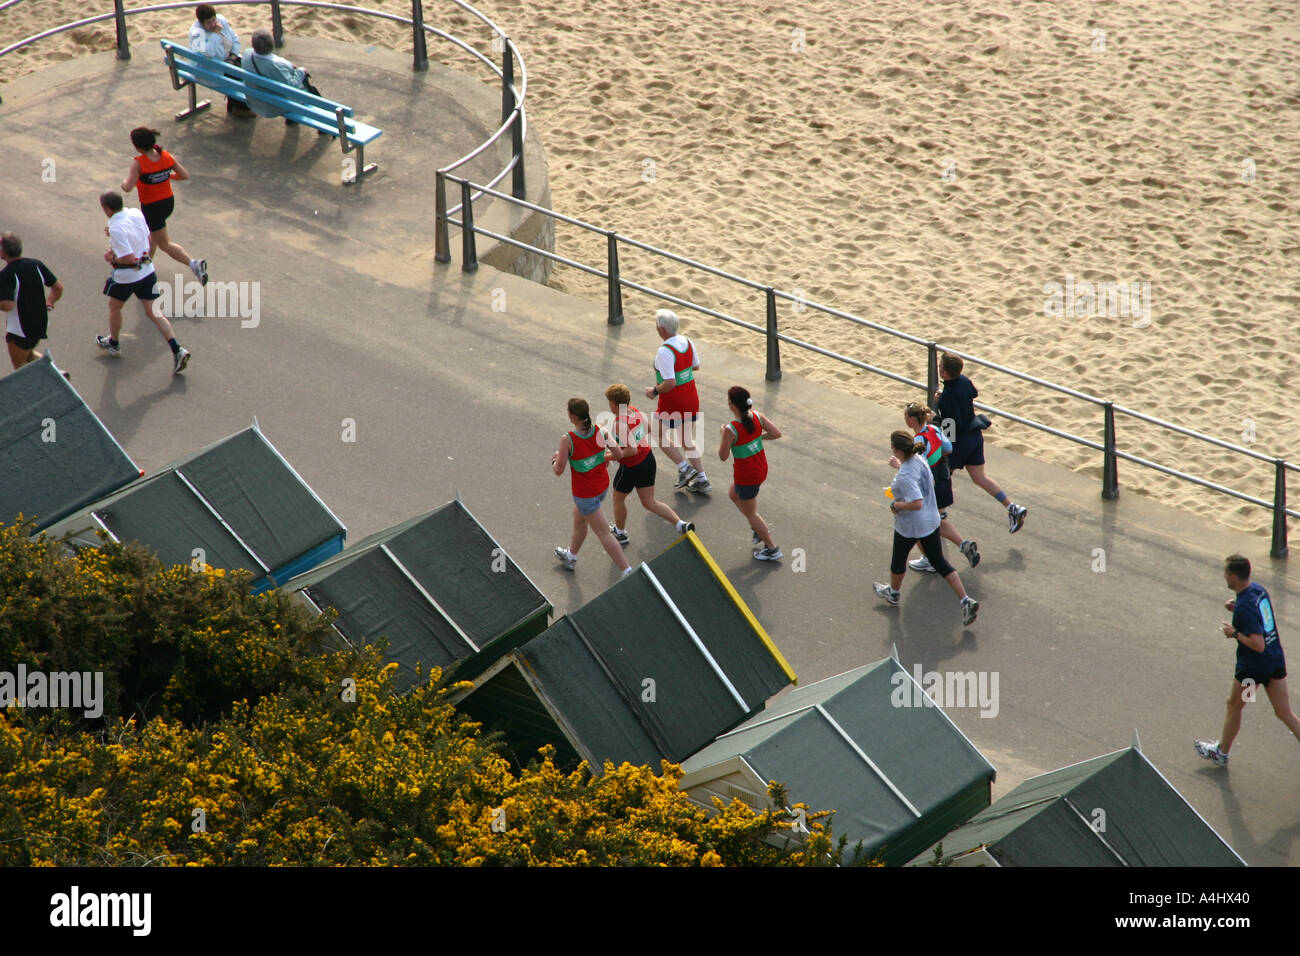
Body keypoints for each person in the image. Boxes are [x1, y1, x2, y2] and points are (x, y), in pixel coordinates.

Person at [1195, 554, 1300, 766]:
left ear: (1233, 577)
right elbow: (1259, 619)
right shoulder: (1258, 591)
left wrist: (1234, 633)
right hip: (1275, 661)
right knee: (1284, 712)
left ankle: (1221, 752)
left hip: (1253, 671)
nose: (1224, 576)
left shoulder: (1244, 607)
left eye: (1226, 573)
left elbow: (1257, 644)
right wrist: (1238, 609)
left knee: (1235, 705)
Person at [873, 430, 979, 626]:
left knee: (898, 561)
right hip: (931, 521)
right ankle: (965, 600)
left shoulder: (904, 477)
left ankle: (894, 593)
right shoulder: (920, 458)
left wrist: (896, 505)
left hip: (911, 525)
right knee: (939, 562)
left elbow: (916, 502)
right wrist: (900, 466)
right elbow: (924, 481)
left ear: (896, 449)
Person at [97, 191, 191, 376]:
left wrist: (111, 257)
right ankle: (177, 349)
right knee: (154, 313)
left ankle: (114, 344)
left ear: (106, 209)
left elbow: (128, 259)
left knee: (114, 307)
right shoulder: (135, 213)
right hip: (147, 273)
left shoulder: (115, 228)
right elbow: (148, 239)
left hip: (126, 277)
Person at [934, 352, 1027, 533]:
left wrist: (940, 411)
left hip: (960, 442)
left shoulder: (947, 397)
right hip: (975, 436)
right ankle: (1012, 508)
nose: (938, 367)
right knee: (980, 478)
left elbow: (952, 426)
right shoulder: (964, 381)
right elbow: (973, 393)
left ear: (944, 373)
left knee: (942, 477)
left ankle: (939, 516)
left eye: (940, 366)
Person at [603, 383, 695, 547]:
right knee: (649, 502)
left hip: (631, 467)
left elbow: (632, 450)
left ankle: (620, 533)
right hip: (648, 461)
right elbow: (648, 430)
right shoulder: (635, 412)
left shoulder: (620, 423)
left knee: (618, 499)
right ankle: (680, 524)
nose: (608, 404)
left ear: (615, 404)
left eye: (609, 401)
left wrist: (609, 456)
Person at [895, 402, 979, 573]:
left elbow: (917, 467)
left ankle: (929, 559)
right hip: (944, 480)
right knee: (938, 521)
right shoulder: (934, 429)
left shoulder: (917, 441)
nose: (904, 419)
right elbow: (948, 448)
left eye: (905, 416)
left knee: (919, 522)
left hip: (930, 486)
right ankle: (963, 545)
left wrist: (898, 465)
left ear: (911, 420)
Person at [551, 397, 631, 576]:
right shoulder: (600, 431)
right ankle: (571, 557)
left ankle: (628, 571)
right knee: (578, 519)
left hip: (585, 494)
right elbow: (618, 454)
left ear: (572, 417)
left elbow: (558, 470)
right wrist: (599, 457)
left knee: (604, 534)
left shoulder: (568, 440)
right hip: (601, 487)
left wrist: (555, 459)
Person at [121, 127, 207, 286]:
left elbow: (127, 187)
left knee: (164, 243)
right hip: (168, 202)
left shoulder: (139, 163)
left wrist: (123, 183)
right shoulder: (166, 156)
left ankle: (194, 264)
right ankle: (145, 269)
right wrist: (165, 176)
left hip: (152, 207)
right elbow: (184, 175)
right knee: (152, 236)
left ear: (137, 147)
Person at [645, 309, 710, 493]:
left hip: (673, 401)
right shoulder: (687, 341)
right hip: (691, 397)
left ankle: (684, 469)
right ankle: (702, 479)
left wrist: (654, 390)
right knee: (686, 439)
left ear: (662, 329)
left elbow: (670, 382)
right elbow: (695, 366)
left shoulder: (664, 351)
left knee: (657, 434)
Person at [719, 386, 783, 561]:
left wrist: (724, 437)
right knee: (733, 494)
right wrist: (758, 437)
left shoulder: (730, 429)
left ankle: (771, 548)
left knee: (751, 513)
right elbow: (776, 433)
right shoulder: (757, 416)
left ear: (732, 405)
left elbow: (723, 457)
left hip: (747, 476)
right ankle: (757, 529)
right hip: (760, 469)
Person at [0, 233, 63, 371]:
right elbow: (58, 288)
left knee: (20, 369)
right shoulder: (36, 264)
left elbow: (8, 305)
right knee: (27, 354)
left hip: (20, 330)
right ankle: (57, 373)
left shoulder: (6, 275)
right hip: (40, 324)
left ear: (3, 251)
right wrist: (50, 301)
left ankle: (51, 380)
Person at [242, 29, 323, 123]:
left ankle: (292, 120)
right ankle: (324, 122)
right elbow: (293, 88)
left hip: (254, 100)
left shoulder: (247, 54)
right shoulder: (275, 66)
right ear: (272, 45)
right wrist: (301, 71)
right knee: (312, 92)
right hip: (270, 107)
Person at [189, 3, 250, 116]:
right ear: (201, 23)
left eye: (213, 20)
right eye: (208, 22)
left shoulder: (221, 20)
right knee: (242, 76)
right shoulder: (197, 34)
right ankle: (239, 107)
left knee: (249, 69)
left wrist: (233, 56)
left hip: (227, 62)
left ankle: (236, 105)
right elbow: (209, 53)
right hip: (209, 70)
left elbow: (235, 39)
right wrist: (216, 34)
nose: (213, 24)